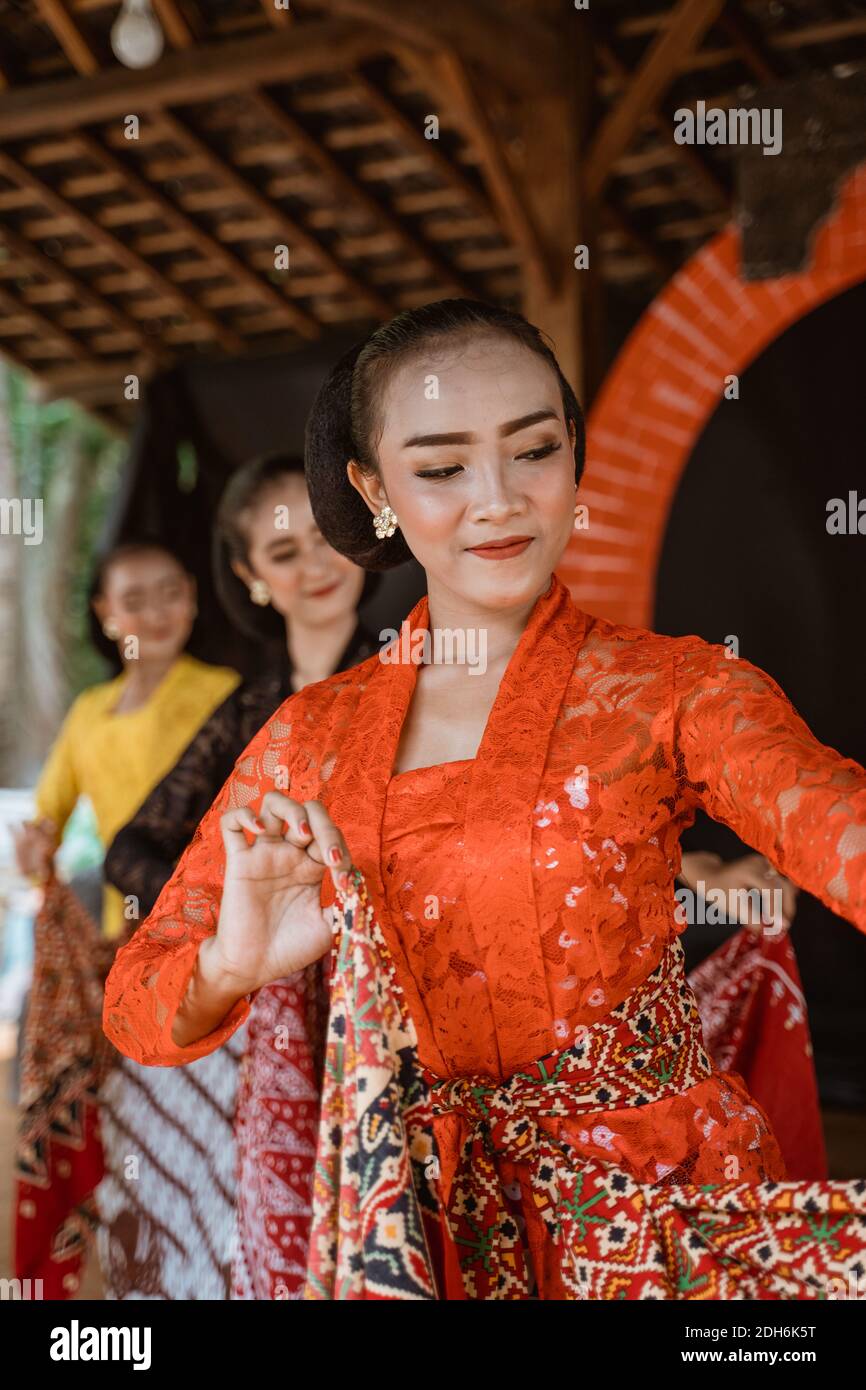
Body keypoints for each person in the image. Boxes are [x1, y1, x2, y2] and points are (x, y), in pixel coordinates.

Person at [104, 299, 866, 1301]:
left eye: (532, 450)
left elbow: (837, 832)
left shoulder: (675, 690)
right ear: (372, 490)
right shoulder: (308, 739)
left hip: (654, 1221)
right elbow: (137, 1004)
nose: (498, 500)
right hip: (420, 1237)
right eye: (440, 468)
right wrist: (230, 963)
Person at [100, 453, 377, 1299]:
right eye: (283, 553)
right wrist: (236, 917)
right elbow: (127, 849)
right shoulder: (251, 710)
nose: (315, 564)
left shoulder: (414, 671)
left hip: (388, 1002)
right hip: (275, 1011)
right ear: (254, 579)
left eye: (329, 536)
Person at [13, 538, 239, 1299]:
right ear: (106, 616)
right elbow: (42, 826)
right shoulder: (88, 714)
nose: (155, 611)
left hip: (209, 951)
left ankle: (208, 1276)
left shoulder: (227, 693)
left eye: (168, 591)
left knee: (209, 1135)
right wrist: (37, 848)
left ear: (196, 599)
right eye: (132, 598)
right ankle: (143, 1292)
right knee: (130, 1136)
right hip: (121, 959)